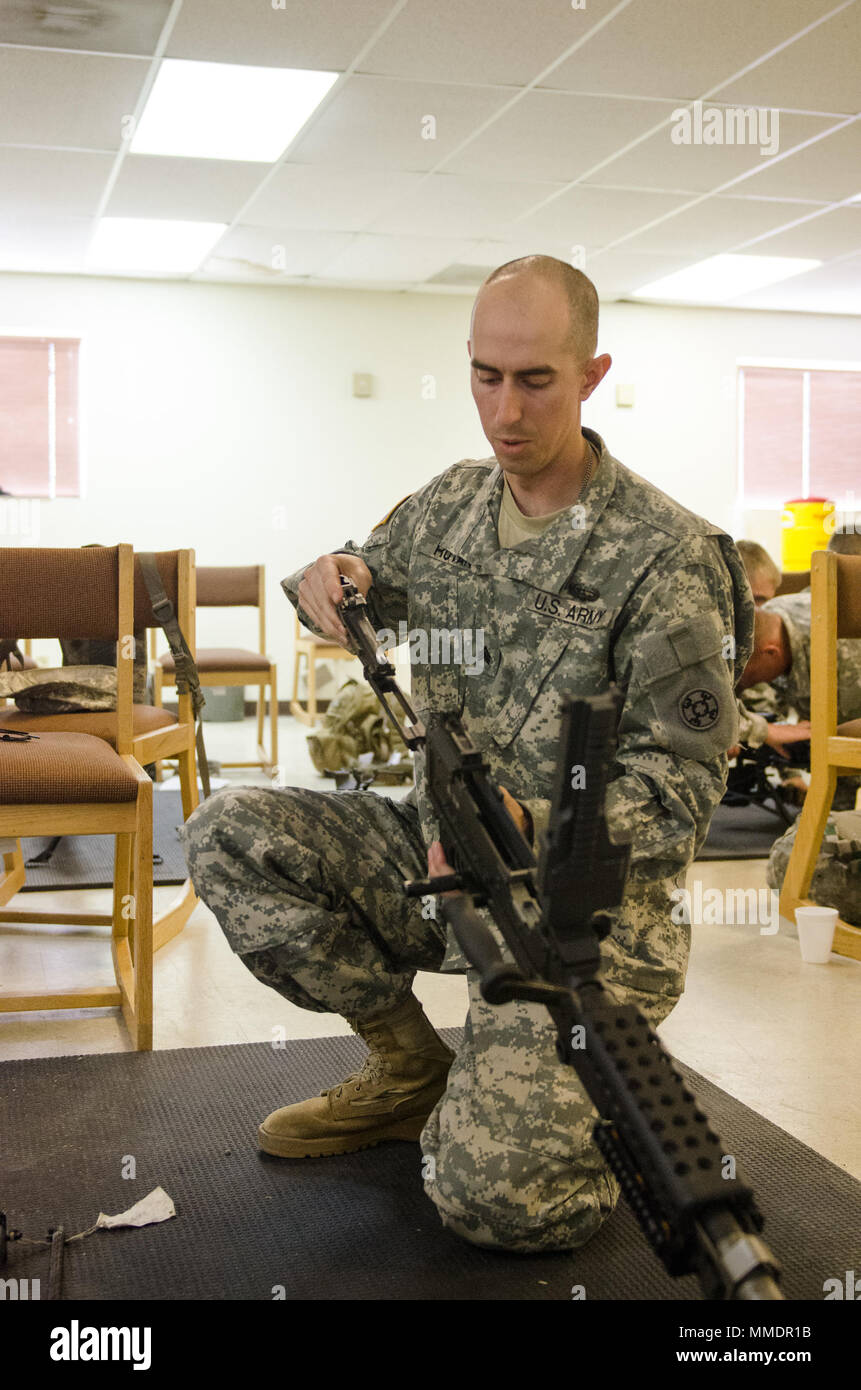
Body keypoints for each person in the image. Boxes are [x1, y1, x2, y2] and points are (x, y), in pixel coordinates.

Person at [182, 255, 753, 1254]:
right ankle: (410, 1073)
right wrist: (332, 577)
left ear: (592, 373)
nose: (505, 408)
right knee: (232, 832)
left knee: (498, 1203)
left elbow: (680, 786)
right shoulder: (448, 507)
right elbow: (352, 581)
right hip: (439, 865)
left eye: (535, 379)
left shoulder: (667, 557)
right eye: (486, 374)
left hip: (580, 921)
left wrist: (547, 831)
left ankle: (554, 1109)